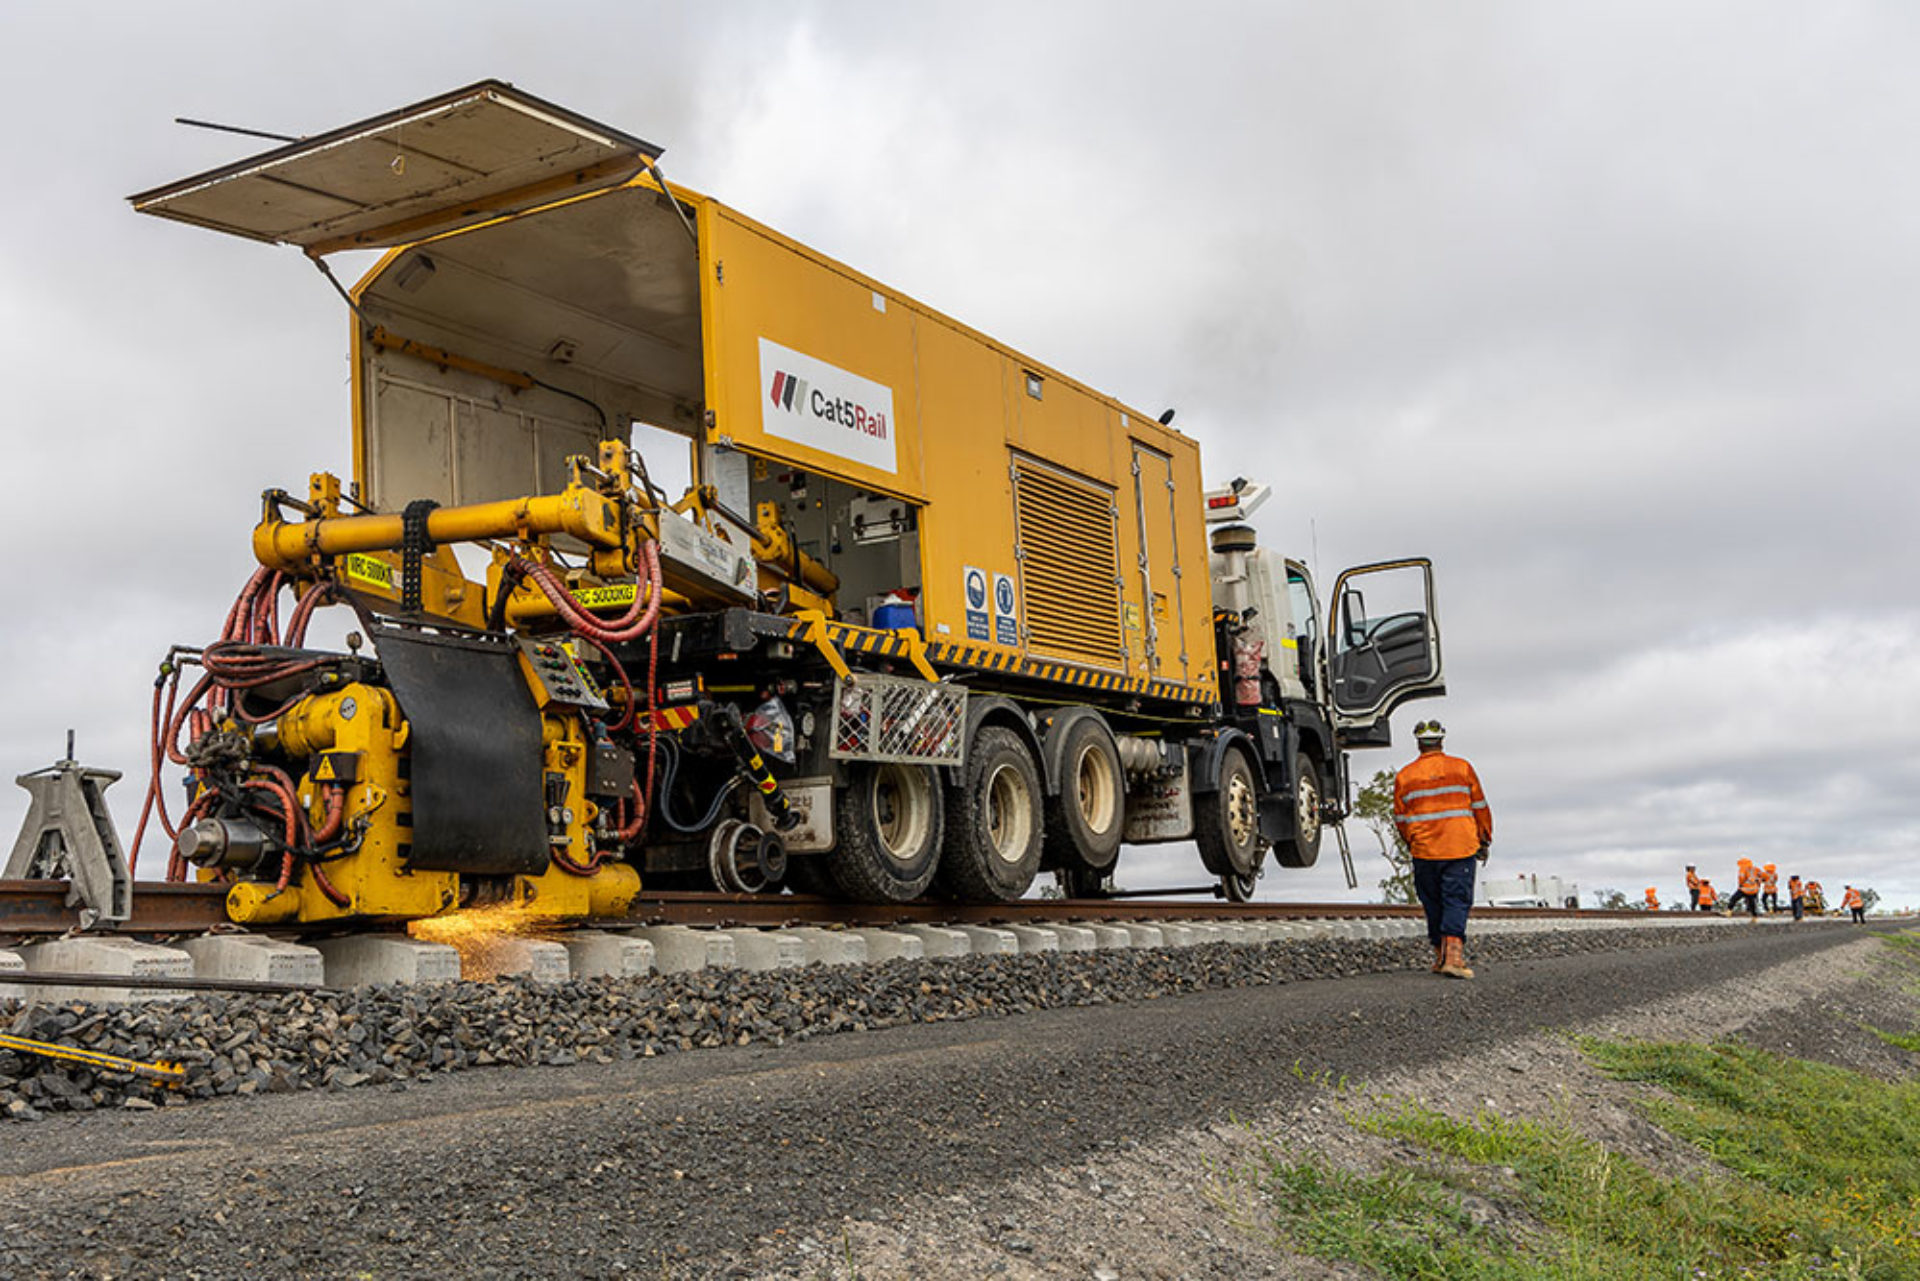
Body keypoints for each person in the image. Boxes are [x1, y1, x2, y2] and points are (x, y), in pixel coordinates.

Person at [1393, 718, 1492, 980]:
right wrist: (1484, 839)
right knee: (1456, 901)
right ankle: (1454, 960)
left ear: (1419, 744)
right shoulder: (1462, 768)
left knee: (1433, 902)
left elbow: (1401, 819)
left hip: (1425, 849)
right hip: (1459, 846)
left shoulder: (1405, 776)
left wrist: (1412, 841)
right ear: (1441, 740)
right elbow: (1479, 806)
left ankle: (1440, 957)